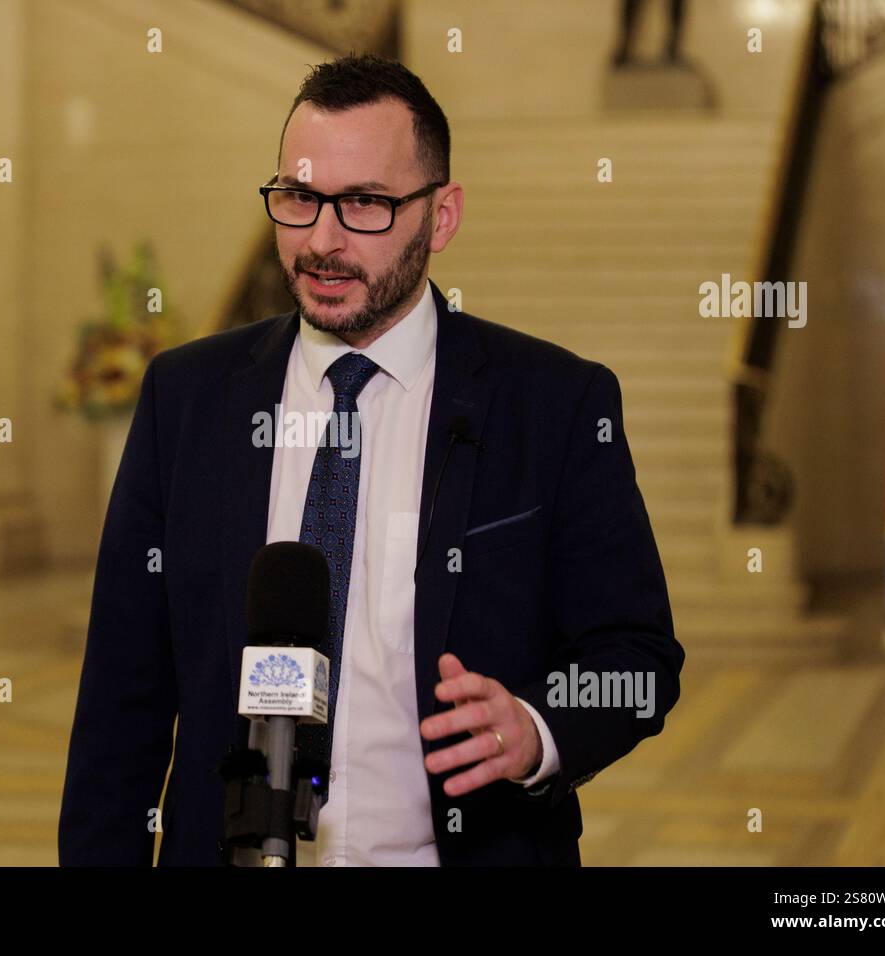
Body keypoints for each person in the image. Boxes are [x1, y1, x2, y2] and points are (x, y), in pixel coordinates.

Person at [58, 53, 683, 867]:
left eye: (364, 204)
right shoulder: (187, 399)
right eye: (298, 198)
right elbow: (121, 702)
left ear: (442, 215)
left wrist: (535, 728)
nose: (321, 240)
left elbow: (636, 658)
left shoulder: (554, 405)